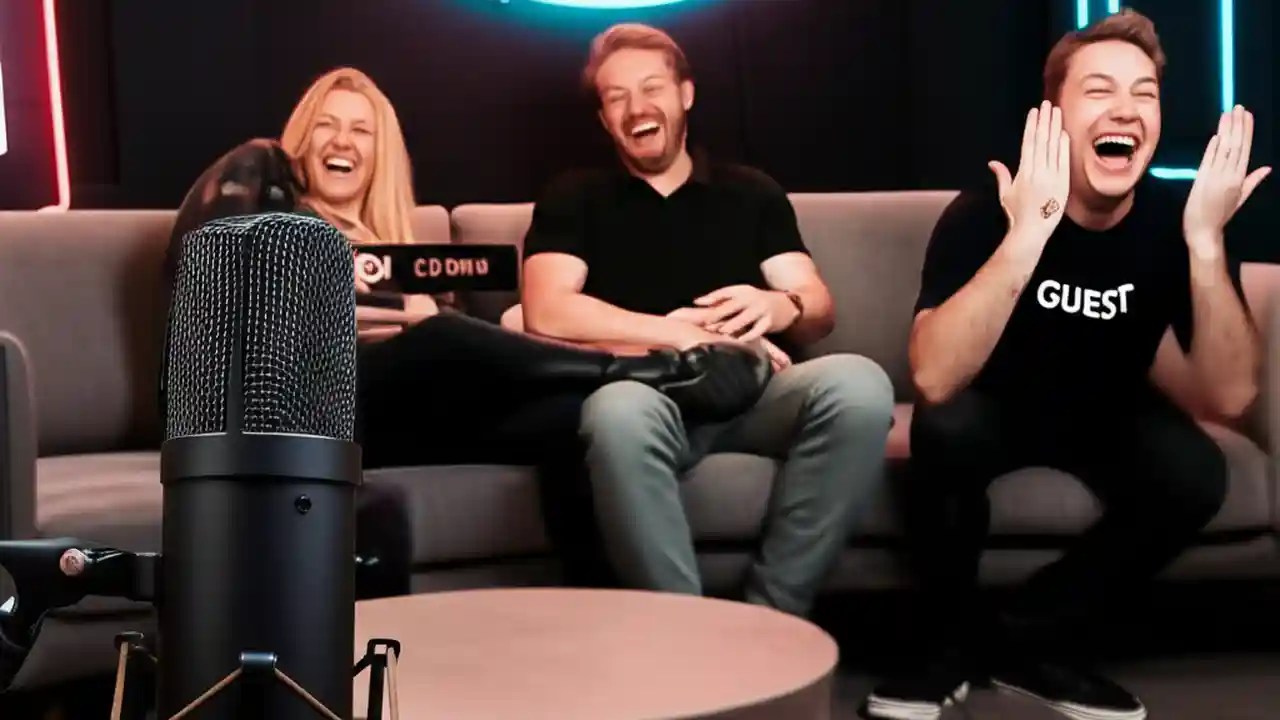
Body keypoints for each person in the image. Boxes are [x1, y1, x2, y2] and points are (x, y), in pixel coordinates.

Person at [166, 67, 774, 596]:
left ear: (380, 153)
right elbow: (233, 305)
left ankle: (608, 614)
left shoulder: (407, 249)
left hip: (418, 420)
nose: (342, 141)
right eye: (327, 125)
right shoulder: (277, 215)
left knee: (570, 421)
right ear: (302, 141)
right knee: (441, 336)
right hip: (322, 406)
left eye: (361, 130)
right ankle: (658, 369)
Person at [865, 10, 1269, 720]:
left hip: (1109, 408)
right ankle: (944, 648)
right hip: (998, 404)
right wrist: (1028, 234)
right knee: (944, 430)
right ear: (1052, 117)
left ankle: (1024, 640)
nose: (1126, 109)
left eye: (1144, 93)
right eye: (1101, 91)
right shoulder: (985, 211)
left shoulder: (1179, 221)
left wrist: (1207, 243)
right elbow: (931, 377)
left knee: (1200, 472)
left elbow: (1231, 396)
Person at [520, 23, 895, 618]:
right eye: (617, 97)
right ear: (603, 119)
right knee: (613, 413)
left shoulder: (751, 192)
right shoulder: (575, 196)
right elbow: (547, 308)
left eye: (651, 88)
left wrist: (780, 306)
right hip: (646, 394)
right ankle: (686, 631)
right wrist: (688, 335)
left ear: (685, 95)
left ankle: (776, 615)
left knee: (861, 384)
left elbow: (817, 307)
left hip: (755, 394)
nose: (637, 107)